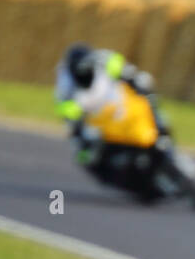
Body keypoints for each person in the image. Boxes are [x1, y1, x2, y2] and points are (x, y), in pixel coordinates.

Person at [54, 43, 167, 184]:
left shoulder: (102, 58)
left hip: (118, 101)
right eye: (81, 75)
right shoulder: (65, 85)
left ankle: (161, 129)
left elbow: (126, 69)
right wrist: (79, 129)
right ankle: (112, 175)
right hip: (96, 115)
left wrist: (134, 81)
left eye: (88, 72)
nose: (85, 77)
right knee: (84, 153)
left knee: (146, 87)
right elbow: (68, 113)